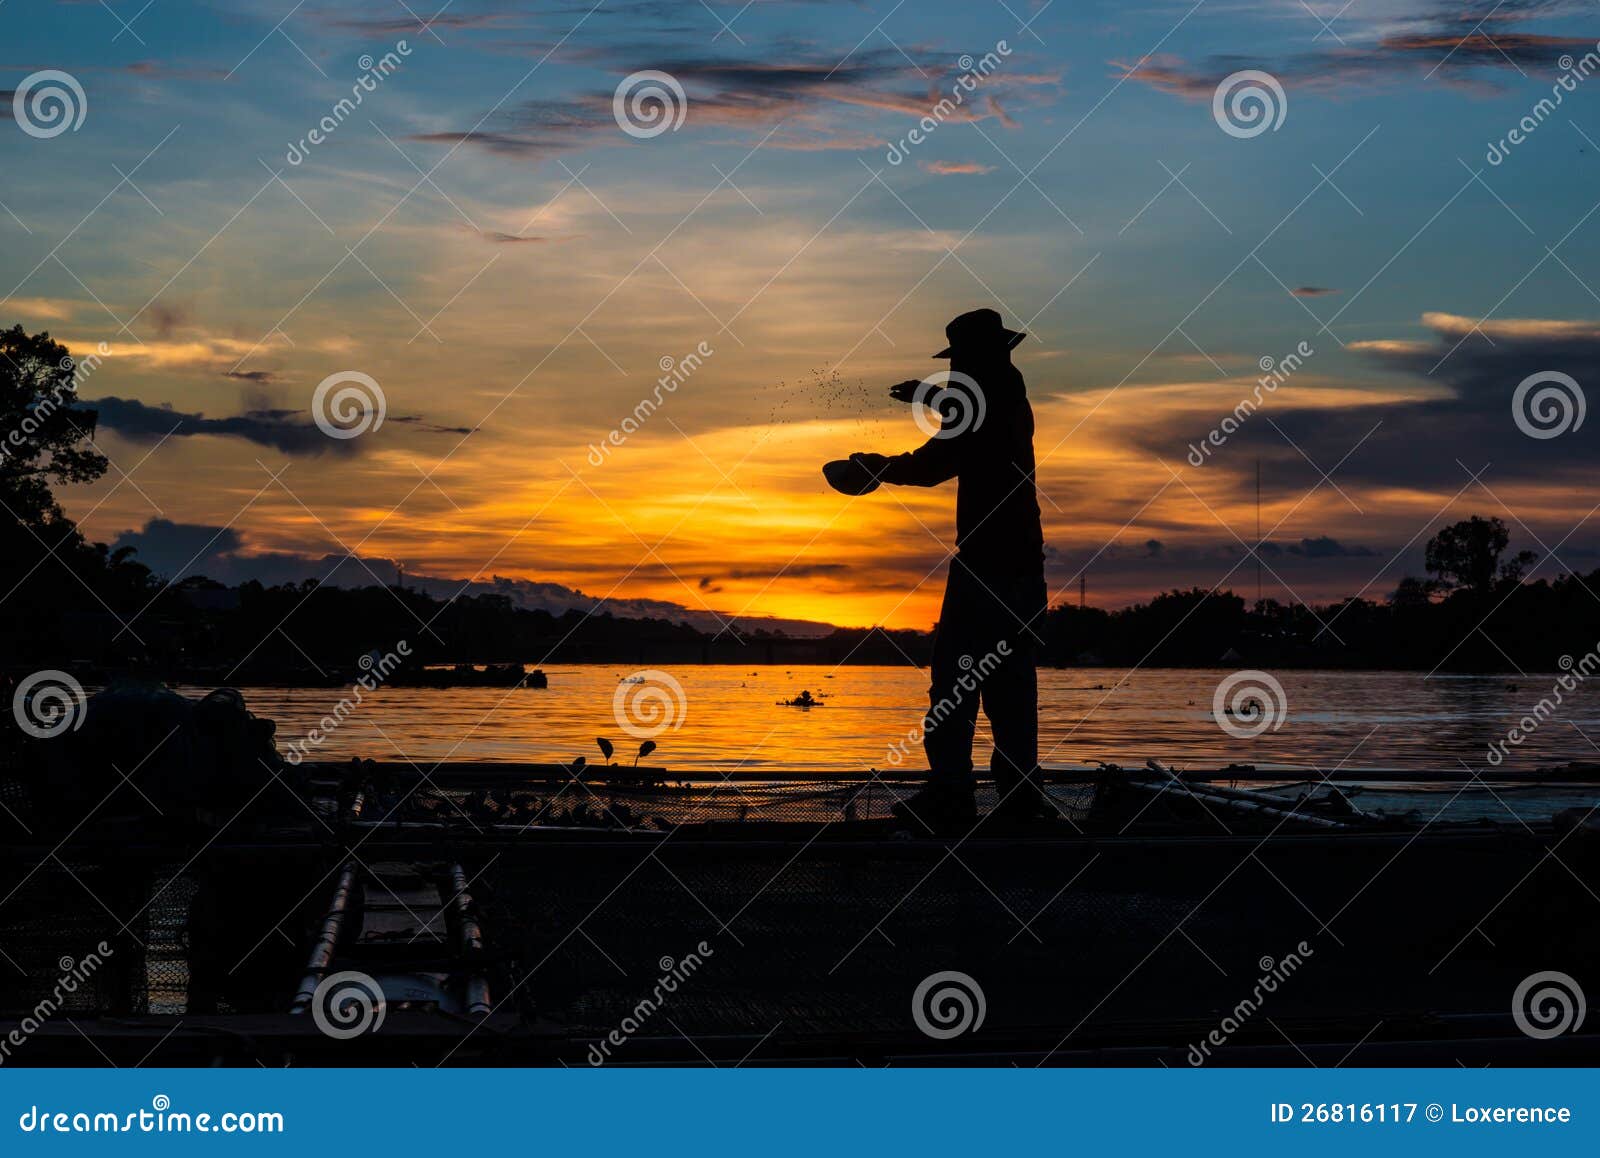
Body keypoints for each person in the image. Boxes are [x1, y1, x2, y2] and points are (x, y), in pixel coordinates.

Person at [834, 308, 1053, 833]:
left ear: (977, 358)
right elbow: (967, 413)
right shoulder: (1003, 391)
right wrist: (927, 395)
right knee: (1009, 684)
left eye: (960, 361)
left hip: (988, 566)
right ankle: (1019, 800)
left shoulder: (988, 396)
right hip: (1020, 565)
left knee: (955, 677)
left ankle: (953, 795)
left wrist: (878, 467)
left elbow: (937, 462)